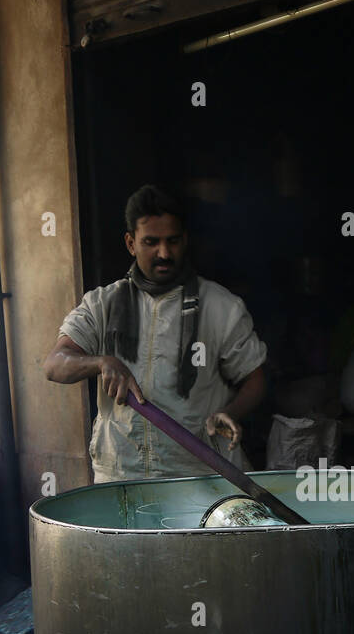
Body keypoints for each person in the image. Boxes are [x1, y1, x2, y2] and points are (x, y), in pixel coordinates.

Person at [44, 185, 267, 482]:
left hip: (199, 477)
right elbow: (55, 364)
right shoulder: (102, 304)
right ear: (131, 243)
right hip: (121, 477)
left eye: (172, 241)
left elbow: (256, 378)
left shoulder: (221, 306)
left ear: (184, 240)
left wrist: (231, 412)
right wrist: (100, 362)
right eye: (151, 242)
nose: (164, 253)